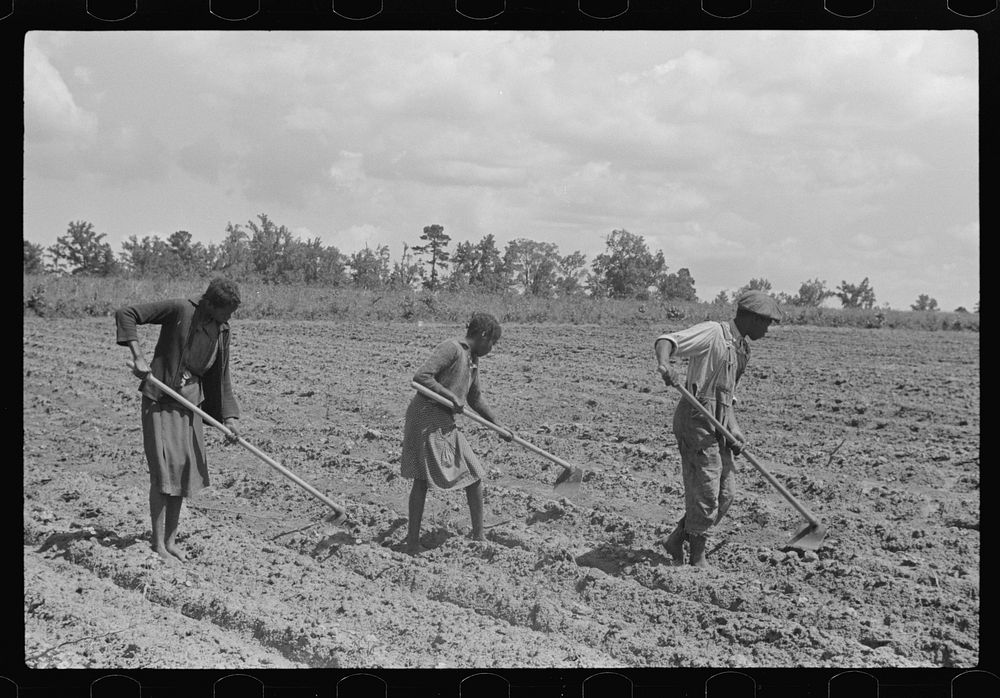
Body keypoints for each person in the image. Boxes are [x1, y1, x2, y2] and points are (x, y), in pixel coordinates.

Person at [115, 277, 242, 563]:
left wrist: (230, 417)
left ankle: (171, 541)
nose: (230, 318)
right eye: (227, 311)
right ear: (209, 303)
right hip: (161, 397)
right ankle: (157, 543)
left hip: (191, 402)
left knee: (183, 469)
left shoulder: (222, 330)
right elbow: (127, 313)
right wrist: (138, 357)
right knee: (164, 471)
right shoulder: (180, 309)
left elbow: (221, 375)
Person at [654, 289, 783, 568]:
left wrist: (733, 428)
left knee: (726, 494)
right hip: (696, 419)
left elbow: (728, 394)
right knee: (707, 490)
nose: (768, 329)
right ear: (751, 318)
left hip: (719, 422)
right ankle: (697, 558)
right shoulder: (714, 333)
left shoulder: (742, 349)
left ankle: (677, 538)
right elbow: (667, 340)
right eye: (766, 322)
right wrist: (666, 366)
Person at [401, 312, 513, 555]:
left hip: (443, 419)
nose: (492, 348)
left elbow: (474, 398)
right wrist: (450, 396)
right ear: (483, 335)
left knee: (473, 474)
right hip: (426, 414)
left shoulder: (472, 360)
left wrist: (497, 425)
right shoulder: (452, 348)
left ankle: (478, 535)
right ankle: (411, 543)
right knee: (422, 479)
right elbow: (422, 377)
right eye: (492, 342)